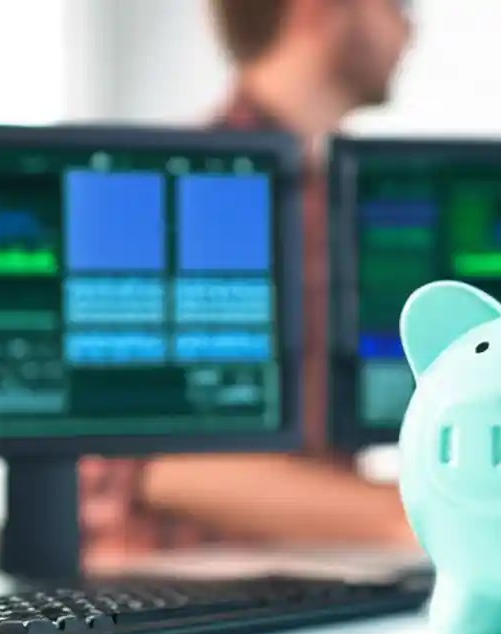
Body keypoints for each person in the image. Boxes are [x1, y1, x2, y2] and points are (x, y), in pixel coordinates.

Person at [78, 0, 416, 569]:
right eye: (396, 5)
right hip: (176, 586)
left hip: (320, 572)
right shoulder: (179, 189)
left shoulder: (342, 199)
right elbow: (142, 462)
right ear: (318, 10)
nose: (409, 28)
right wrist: (408, 515)